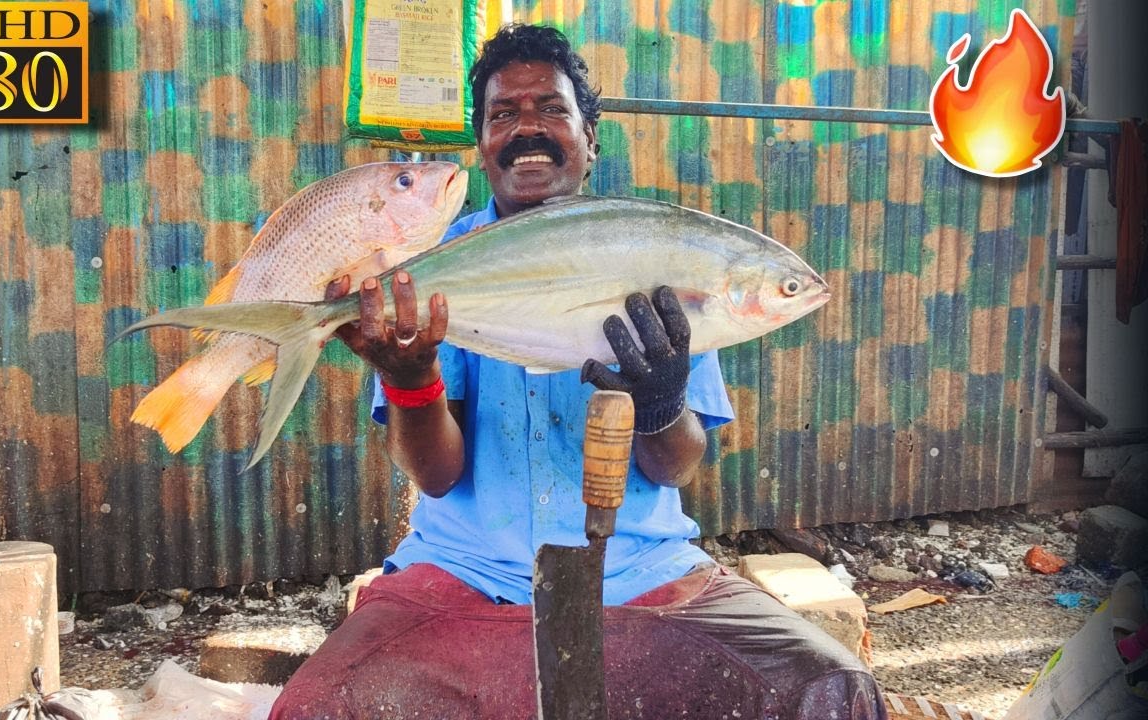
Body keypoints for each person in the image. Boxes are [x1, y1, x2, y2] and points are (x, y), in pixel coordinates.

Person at [269, 24, 885, 719]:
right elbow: (438, 475)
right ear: (483, 146)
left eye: (552, 109)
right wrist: (412, 382)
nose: (527, 127)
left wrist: (659, 403)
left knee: (829, 690)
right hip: (462, 571)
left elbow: (677, 466)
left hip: (642, 573)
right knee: (316, 709)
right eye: (503, 114)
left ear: (591, 139)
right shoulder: (438, 269)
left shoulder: (658, 249)